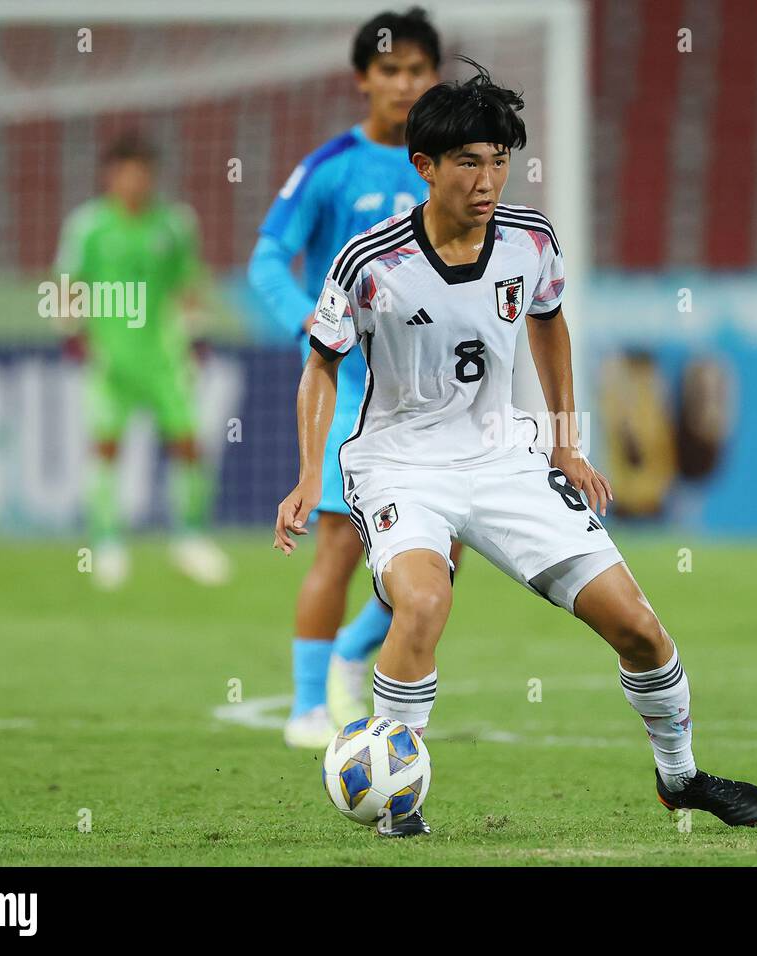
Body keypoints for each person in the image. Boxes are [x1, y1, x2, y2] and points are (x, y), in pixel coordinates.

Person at [273, 62, 757, 837]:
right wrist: (310, 475)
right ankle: (397, 804)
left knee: (639, 627)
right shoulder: (369, 263)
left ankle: (679, 779)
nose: (488, 178)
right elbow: (321, 363)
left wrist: (567, 444)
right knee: (425, 601)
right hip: (400, 463)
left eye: (500, 159)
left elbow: (550, 318)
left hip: (504, 458)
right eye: (469, 161)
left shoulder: (530, 242)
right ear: (425, 167)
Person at [248, 8, 458, 749]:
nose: (405, 84)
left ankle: (346, 653)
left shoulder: (451, 161)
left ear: (436, 76)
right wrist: (306, 321)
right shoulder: (332, 165)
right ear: (363, 79)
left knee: (449, 546)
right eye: (391, 70)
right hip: (355, 392)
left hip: (437, 394)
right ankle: (307, 707)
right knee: (339, 544)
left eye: (418, 70)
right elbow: (268, 257)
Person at [56, 131, 229, 590]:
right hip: (111, 357)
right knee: (107, 444)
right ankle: (107, 541)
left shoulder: (173, 224)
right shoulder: (88, 226)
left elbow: (188, 284)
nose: (135, 181)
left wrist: (196, 331)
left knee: (188, 440)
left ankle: (189, 537)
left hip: (165, 357)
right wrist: (72, 330)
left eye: (143, 172)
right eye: (126, 171)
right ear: (110, 175)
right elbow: (68, 284)